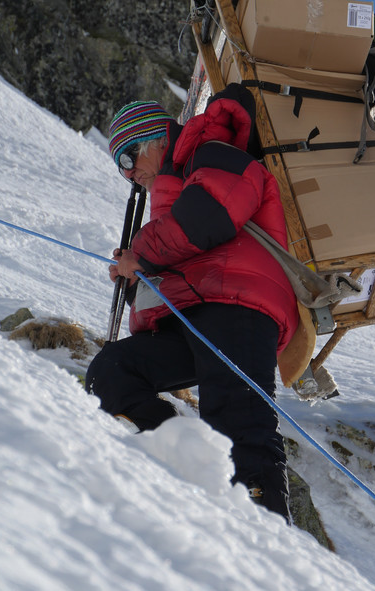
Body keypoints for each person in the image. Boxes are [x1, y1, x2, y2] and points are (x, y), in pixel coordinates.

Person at [85, 84, 299, 521]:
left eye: (128, 158)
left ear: (157, 138)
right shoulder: (171, 184)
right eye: (119, 168)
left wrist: (141, 253)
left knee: (240, 420)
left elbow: (211, 216)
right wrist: (136, 278)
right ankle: (185, 461)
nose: (128, 174)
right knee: (112, 371)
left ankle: (273, 537)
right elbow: (183, 251)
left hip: (239, 302)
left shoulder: (213, 148)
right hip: (195, 312)